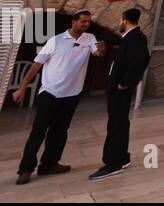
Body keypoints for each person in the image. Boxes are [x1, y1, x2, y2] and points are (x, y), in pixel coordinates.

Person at [12, 10, 105, 185]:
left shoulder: (90, 38)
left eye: (88, 22)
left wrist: (102, 50)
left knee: (60, 132)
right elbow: (36, 65)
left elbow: (97, 53)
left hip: (71, 95)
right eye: (83, 21)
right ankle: (25, 169)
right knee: (38, 132)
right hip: (50, 94)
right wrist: (22, 88)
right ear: (74, 22)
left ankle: (49, 165)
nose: (86, 24)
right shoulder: (55, 41)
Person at [89, 9, 151, 181]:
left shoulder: (135, 37)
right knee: (121, 122)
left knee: (115, 124)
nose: (119, 22)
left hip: (120, 90)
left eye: (120, 19)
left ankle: (112, 163)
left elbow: (141, 60)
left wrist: (125, 83)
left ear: (124, 20)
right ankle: (122, 157)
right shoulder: (131, 37)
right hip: (118, 88)